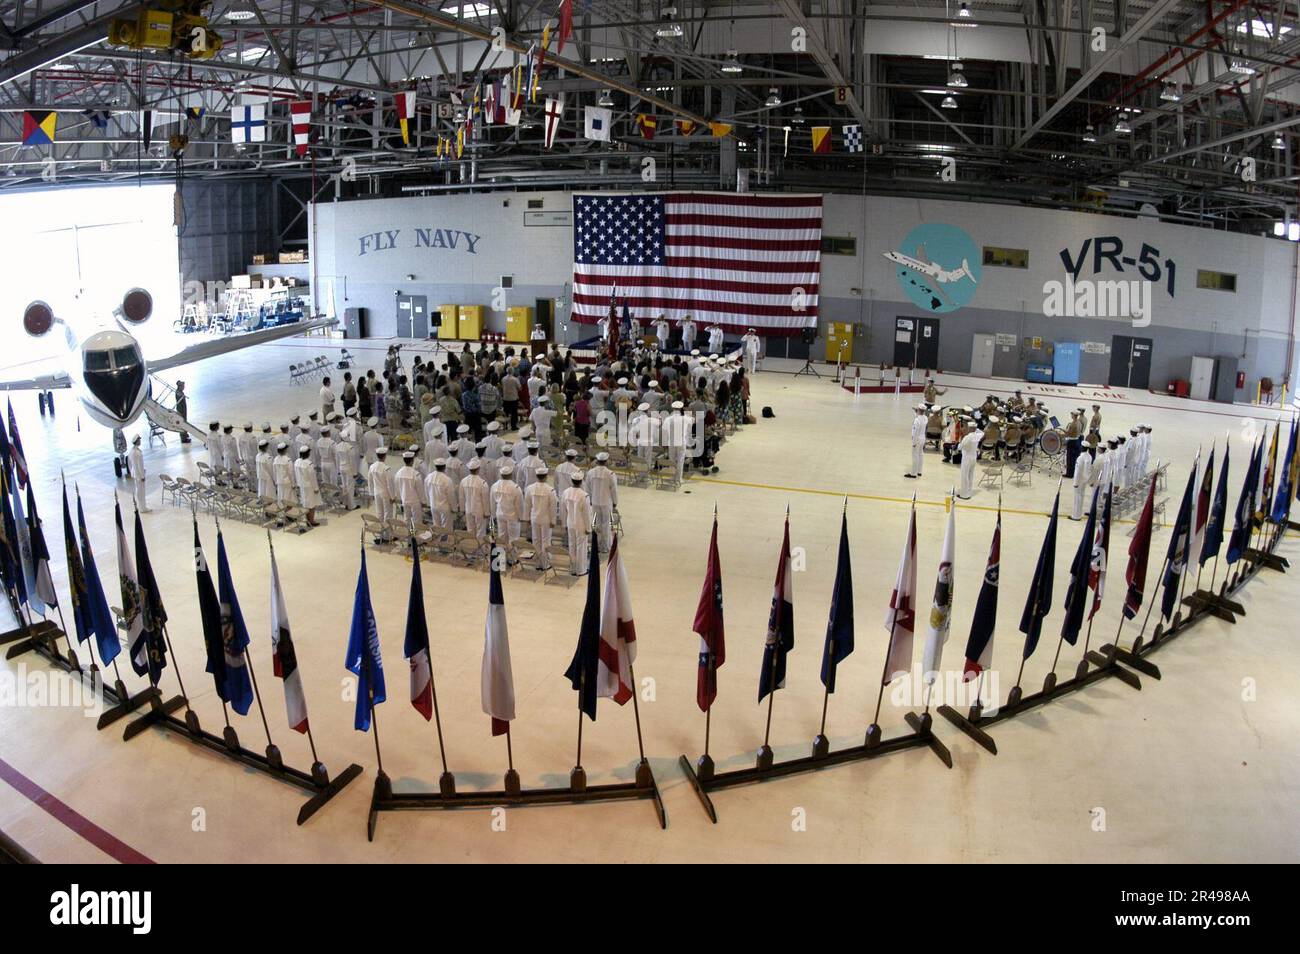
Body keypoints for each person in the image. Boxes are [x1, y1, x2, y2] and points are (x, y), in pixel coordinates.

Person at [525, 466, 558, 567]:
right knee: (546, 540)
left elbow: (527, 504)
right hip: (546, 519)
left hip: (534, 517)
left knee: (536, 540)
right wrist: (553, 520)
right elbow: (553, 508)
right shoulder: (550, 490)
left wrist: (527, 518)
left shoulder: (530, 488)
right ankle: (545, 563)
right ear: (546, 476)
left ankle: (538, 562)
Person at [586, 451, 618, 553]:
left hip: (594, 501)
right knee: (607, 524)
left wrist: (590, 500)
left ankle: (597, 545)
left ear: (597, 461)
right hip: (606, 502)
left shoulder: (590, 473)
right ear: (606, 461)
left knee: (597, 524)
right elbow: (614, 489)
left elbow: (588, 488)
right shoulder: (610, 474)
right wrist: (615, 502)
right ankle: (606, 546)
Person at [562, 471, 593, 574]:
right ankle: (580, 570)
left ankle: (572, 567)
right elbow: (586, 514)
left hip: (569, 522)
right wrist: (589, 528)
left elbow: (563, 510)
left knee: (572, 546)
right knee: (581, 547)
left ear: (572, 481)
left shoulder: (566, 492)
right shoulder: (584, 495)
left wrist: (564, 523)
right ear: (581, 482)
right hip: (581, 525)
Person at [492, 463, 525, 553]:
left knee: (502, 537)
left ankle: (501, 559)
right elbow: (519, 505)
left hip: (500, 514)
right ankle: (512, 559)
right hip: (512, 515)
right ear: (510, 474)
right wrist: (521, 517)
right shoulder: (515, 487)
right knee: (513, 538)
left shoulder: (495, 486)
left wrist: (493, 514)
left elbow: (492, 501)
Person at [460, 459, 491, 542]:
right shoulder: (482, 483)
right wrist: (487, 512)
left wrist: (462, 509)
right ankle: (479, 550)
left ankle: (471, 547)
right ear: (478, 469)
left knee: (470, 530)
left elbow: (461, 497)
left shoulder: (463, 481)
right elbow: (485, 500)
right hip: (479, 510)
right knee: (480, 531)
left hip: (468, 509)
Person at [294, 445, 322, 526]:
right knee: (311, 504)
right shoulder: (309, 464)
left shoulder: (297, 461)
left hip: (302, 485)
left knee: (305, 503)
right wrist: (316, 488)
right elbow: (312, 477)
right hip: (309, 487)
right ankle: (311, 521)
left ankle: (307, 519)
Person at [426, 459, 457, 530]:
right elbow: (451, 496)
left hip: (433, 506)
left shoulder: (429, 477)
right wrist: (454, 508)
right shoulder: (447, 480)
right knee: (447, 529)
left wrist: (429, 503)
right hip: (444, 508)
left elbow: (427, 492)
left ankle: (438, 540)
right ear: (444, 467)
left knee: (436, 526)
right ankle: (446, 541)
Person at [395, 451, 424, 525]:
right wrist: (423, 501)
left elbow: (397, 488)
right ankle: (415, 535)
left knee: (407, 519)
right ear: (412, 461)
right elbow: (420, 490)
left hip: (404, 499)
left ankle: (409, 534)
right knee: (416, 521)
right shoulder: (416, 474)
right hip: (415, 501)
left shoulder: (399, 472)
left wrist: (400, 498)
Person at [369, 447, 395, 523]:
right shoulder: (386, 468)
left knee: (379, 512)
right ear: (385, 456)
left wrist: (371, 493)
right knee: (388, 513)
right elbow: (389, 485)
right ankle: (387, 532)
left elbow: (370, 481)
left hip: (376, 492)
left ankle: (380, 530)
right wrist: (392, 496)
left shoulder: (372, 466)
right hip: (385, 493)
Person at [334, 430, 358, 510]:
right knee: (350, 487)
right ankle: (351, 505)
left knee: (344, 486)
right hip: (349, 469)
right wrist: (354, 472)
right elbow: (352, 462)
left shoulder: (337, 446)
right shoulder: (350, 447)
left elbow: (337, 459)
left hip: (341, 468)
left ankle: (345, 502)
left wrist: (337, 470)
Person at [1071, 444, 1095, 521]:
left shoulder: (1080, 458)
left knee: (1077, 498)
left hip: (1079, 480)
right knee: (1081, 496)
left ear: (1083, 447)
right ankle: (1078, 514)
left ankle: (1076, 515)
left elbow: (1078, 472)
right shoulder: (1089, 456)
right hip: (1084, 480)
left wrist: (1075, 482)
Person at [958, 424, 981, 499]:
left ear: (969, 428)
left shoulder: (967, 437)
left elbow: (960, 447)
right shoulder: (977, 435)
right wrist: (975, 429)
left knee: (964, 476)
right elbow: (982, 432)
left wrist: (959, 443)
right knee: (971, 475)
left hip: (967, 458)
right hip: (974, 457)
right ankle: (969, 492)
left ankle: (964, 494)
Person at [129, 435, 150, 512]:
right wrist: (142, 476)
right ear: (137, 441)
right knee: (141, 492)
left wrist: (133, 472)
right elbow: (140, 465)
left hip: (135, 474)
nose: (140, 441)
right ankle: (143, 508)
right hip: (139, 475)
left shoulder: (131, 452)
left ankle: (141, 506)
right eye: (139, 440)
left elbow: (130, 464)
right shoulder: (137, 453)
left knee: (139, 491)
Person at [905, 404, 926, 478]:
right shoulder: (925, 418)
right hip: (923, 438)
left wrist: (913, 442)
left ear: (919, 410)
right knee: (921, 455)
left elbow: (915, 432)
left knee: (915, 456)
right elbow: (919, 415)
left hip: (917, 439)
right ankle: (919, 471)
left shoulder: (917, 420)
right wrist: (916, 411)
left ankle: (913, 473)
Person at [317, 427, 337, 491]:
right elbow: (335, 455)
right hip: (331, 464)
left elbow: (317, 453)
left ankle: (328, 498)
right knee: (333, 482)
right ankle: (334, 498)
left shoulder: (319, 441)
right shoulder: (332, 442)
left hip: (323, 463)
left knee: (325, 482)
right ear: (328, 433)